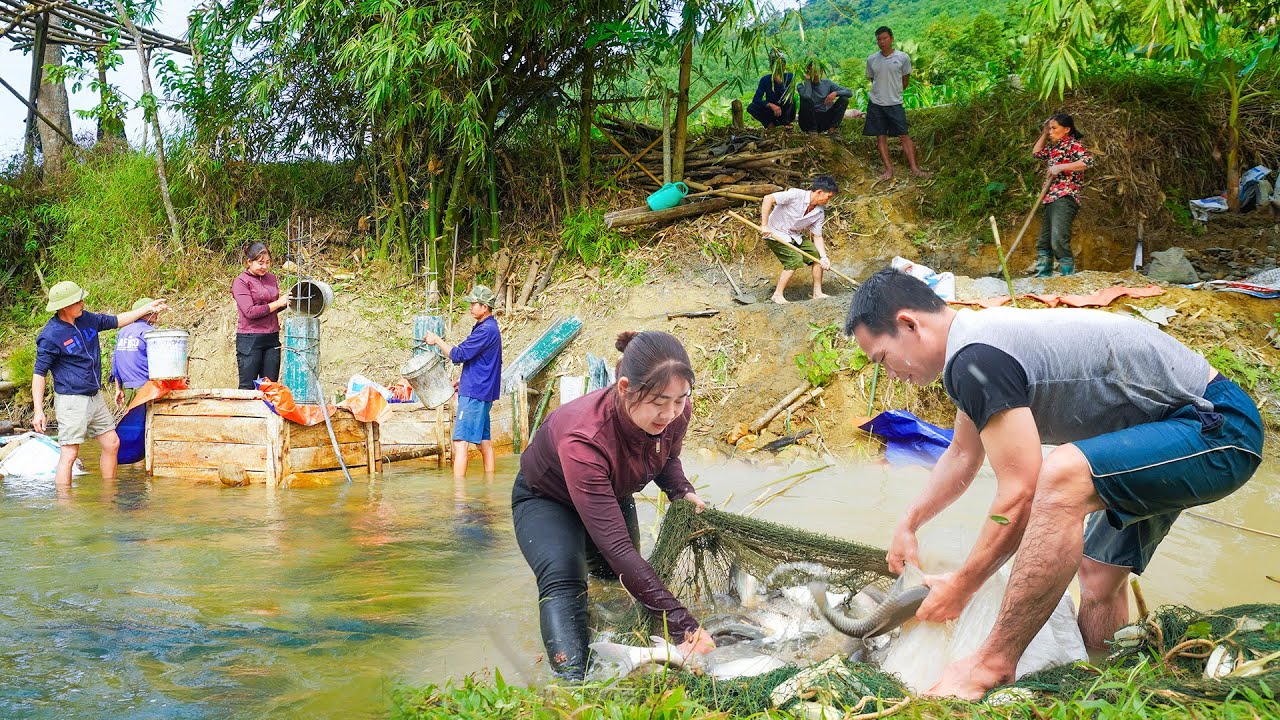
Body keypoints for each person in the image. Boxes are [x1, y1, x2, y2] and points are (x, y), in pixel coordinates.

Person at [843, 269, 1263, 699]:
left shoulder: (977, 358)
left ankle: (991, 665)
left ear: (909, 324)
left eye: (882, 358)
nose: (889, 373)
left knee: (1061, 475)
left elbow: (1020, 493)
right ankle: (1105, 682)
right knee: (1097, 575)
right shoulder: (973, 352)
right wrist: (908, 523)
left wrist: (963, 585)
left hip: (1218, 427)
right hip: (1156, 431)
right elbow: (963, 455)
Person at [511, 331, 715, 681]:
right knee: (564, 580)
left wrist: (681, 490)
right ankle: (573, 683)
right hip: (547, 500)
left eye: (680, 400)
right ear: (624, 388)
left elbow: (666, 457)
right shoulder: (583, 438)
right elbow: (619, 549)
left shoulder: (676, 413)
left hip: (610, 493)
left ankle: (612, 639)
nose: (670, 413)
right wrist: (684, 624)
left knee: (612, 581)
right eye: (659, 402)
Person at [32, 281, 168, 486]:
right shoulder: (51, 336)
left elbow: (118, 320)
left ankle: (109, 495)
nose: (83, 303)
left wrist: (147, 308)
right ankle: (64, 503)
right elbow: (39, 374)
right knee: (70, 453)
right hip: (71, 400)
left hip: (95, 397)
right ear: (65, 306)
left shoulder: (87, 319)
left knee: (112, 443)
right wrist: (38, 410)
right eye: (78, 301)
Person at [421, 285, 502, 480]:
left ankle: (458, 493)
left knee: (460, 443)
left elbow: (458, 355)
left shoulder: (485, 331)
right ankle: (490, 485)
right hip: (482, 391)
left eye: (474, 304)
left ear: (485, 307)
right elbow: (483, 362)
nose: (471, 307)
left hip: (474, 394)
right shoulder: (490, 328)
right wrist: (463, 379)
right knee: (484, 442)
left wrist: (437, 340)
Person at [1031, 114, 1093, 277]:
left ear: (1066, 129)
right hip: (1049, 197)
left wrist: (1060, 167)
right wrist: (1044, 133)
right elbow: (1036, 153)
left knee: (1058, 239)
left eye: (1054, 128)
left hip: (1065, 197)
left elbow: (1087, 162)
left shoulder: (1074, 145)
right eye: (1050, 128)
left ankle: (1068, 275)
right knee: (1044, 241)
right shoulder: (1054, 148)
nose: (1051, 132)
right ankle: (1043, 275)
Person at [864, 26, 929, 179]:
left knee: (904, 135)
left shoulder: (903, 57)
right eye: (879, 39)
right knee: (880, 136)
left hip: (894, 103)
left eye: (885, 38)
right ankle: (888, 170)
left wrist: (894, 92)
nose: (882, 42)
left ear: (891, 39)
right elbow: (873, 79)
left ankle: (915, 169)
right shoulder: (871, 59)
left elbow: (905, 80)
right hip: (876, 103)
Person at [760, 175, 837, 304]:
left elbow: (817, 236)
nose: (828, 200)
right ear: (819, 192)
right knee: (794, 260)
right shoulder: (796, 195)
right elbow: (768, 198)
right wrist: (764, 225)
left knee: (817, 257)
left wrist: (824, 257)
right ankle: (777, 295)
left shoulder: (819, 212)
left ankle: (817, 293)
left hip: (795, 235)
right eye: (828, 197)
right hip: (775, 233)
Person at [232, 241, 290, 390]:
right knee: (247, 387)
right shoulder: (241, 282)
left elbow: (271, 309)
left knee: (270, 387)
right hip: (250, 339)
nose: (264, 266)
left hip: (272, 338)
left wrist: (286, 303)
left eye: (268, 262)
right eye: (260, 263)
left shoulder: (271, 278)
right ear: (249, 262)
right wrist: (278, 303)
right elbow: (250, 312)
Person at [109, 297, 159, 407]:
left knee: (134, 417)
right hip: (148, 388)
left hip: (128, 389)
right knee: (150, 417)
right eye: (152, 311)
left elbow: (116, 363)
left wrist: (118, 389)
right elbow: (159, 362)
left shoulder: (122, 332)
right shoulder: (150, 332)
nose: (156, 313)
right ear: (143, 313)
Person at [796, 62, 852, 135]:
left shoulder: (827, 83)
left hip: (824, 119)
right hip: (808, 121)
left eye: (818, 71)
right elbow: (807, 96)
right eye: (813, 72)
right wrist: (808, 80)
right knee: (807, 100)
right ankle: (812, 131)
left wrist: (835, 93)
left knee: (844, 99)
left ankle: (832, 130)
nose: (816, 75)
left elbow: (849, 92)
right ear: (808, 72)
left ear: (822, 71)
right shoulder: (802, 85)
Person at [747, 59, 795, 129]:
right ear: (771, 67)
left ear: (784, 66)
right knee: (751, 107)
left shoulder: (789, 77)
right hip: (772, 110)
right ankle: (770, 125)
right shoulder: (765, 80)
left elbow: (787, 96)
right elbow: (756, 99)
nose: (778, 69)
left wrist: (779, 83)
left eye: (781, 65)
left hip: (785, 110)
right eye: (776, 66)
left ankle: (786, 123)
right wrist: (770, 105)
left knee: (791, 101)